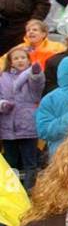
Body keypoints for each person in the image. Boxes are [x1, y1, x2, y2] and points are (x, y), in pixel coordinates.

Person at [0, 46, 44, 188]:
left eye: (23, 57)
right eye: (16, 58)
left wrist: (36, 74)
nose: (20, 60)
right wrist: (2, 104)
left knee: (30, 161)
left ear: (28, 60)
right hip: (8, 126)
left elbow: (37, 87)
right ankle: (12, 190)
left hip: (27, 125)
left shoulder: (32, 75)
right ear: (11, 62)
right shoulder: (3, 77)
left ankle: (30, 189)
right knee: (11, 160)